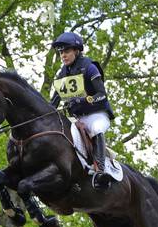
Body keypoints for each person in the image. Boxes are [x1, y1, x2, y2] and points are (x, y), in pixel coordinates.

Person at [48, 30, 116, 188]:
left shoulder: (90, 68)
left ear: (76, 51)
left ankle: (100, 171)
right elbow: (54, 102)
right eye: (61, 53)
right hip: (77, 118)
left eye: (66, 51)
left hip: (96, 114)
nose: (63, 56)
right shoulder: (61, 75)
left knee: (97, 129)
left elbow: (102, 94)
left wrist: (84, 100)